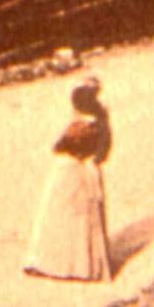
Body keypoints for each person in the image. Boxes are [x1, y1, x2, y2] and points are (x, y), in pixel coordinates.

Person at [23, 76, 113, 282]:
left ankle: (57, 264)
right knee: (82, 221)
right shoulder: (100, 120)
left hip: (71, 171)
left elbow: (59, 146)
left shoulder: (82, 125)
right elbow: (104, 148)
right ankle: (85, 267)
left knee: (62, 216)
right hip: (87, 169)